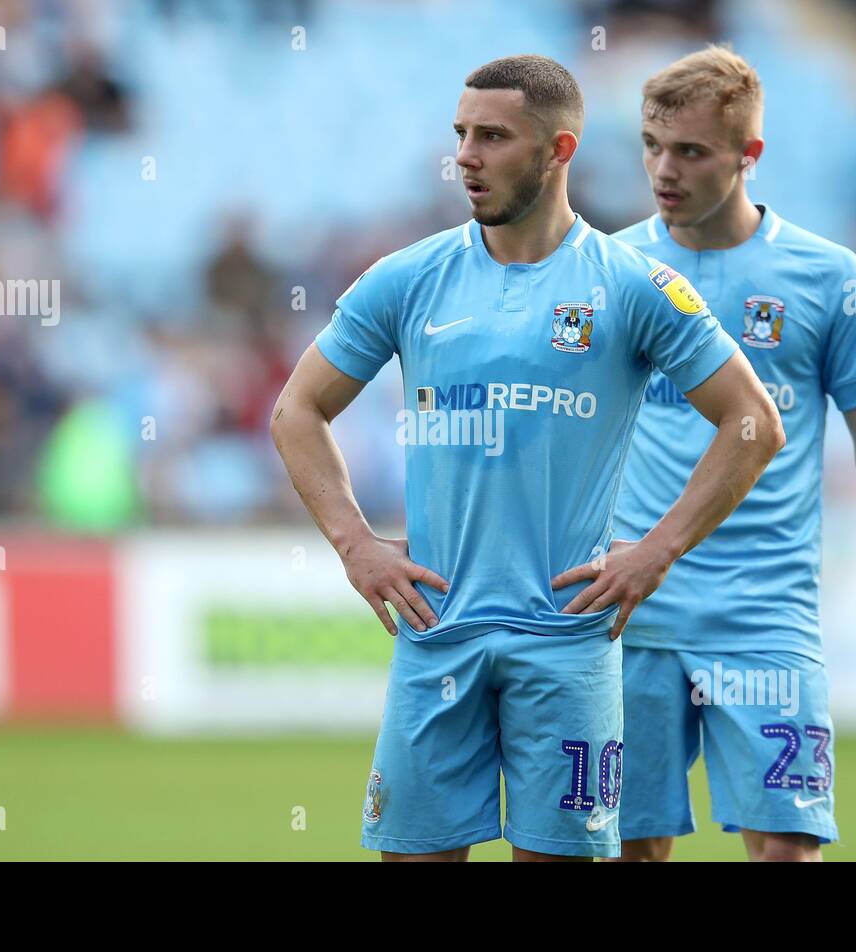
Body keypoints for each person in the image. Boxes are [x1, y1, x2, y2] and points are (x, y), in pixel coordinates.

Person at [270, 55, 782, 861]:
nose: (466, 155)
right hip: (437, 634)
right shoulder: (408, 279)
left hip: (568, 641)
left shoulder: (632, 285)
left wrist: (657, 552)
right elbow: (297, 409)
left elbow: (753, 422)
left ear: (558, 150)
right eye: (462, 134)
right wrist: (355, 544)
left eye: (494, 136)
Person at [609, 45, 856, 862]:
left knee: (786, 850)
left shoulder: (828, 276)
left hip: (766, 615)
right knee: (631, 850)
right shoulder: (609, 267)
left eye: (690, 151)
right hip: (628, 610)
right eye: (652, 146)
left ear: (748, 156)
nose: (664, 169)